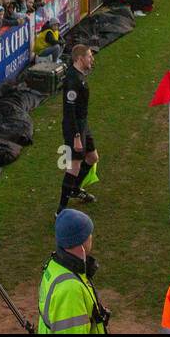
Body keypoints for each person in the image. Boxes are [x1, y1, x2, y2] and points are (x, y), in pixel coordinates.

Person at [36, 209, 106, 334]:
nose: (91, 237)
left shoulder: (54, 264)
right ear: (80, 242)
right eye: (88, 234)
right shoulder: (70, 289)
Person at [57, 44, 99, 216]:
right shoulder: (73, 80)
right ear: (80, 59)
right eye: (89, 56)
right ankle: (60, 210)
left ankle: (75, 189)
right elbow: (69, 111)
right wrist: (75, 136)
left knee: (92, 157)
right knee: (73, 166)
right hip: (73, 127)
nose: (92, 59)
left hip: (82, 124)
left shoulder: (80, 75)